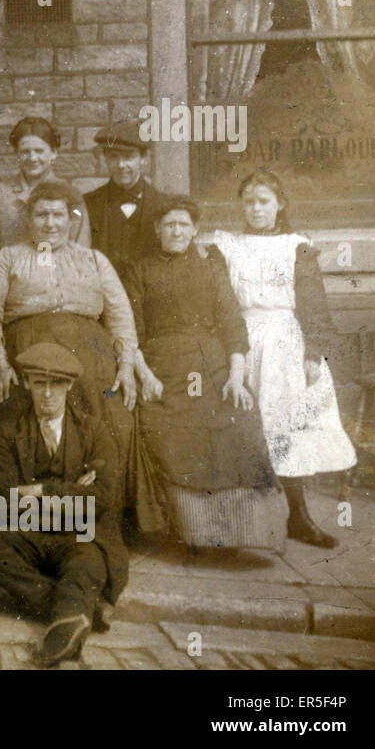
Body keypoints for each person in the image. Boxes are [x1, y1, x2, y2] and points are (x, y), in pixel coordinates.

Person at [0, 180, 159, 533]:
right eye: (41, 215)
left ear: (71, 219)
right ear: (29, 219)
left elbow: (120, 316)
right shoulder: (8, 258)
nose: (50, 223)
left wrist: (127, 365)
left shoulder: (94, 259)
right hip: (31, 349)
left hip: (93, 352)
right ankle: (40, 514)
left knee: (114, 411)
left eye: (58, 215)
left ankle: (106, 514)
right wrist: (0, 361)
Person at [123, 197, 288, 551]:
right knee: (172, 427)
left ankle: (244, 534)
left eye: (183, 224)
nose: (176, 231)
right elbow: (129, 332)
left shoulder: (211, 269)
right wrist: (145, 375)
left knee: (239, 418)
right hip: (162, 365)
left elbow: (232, 325)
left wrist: (235, 377)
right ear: (157, 230)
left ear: (195, 229)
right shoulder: (140, 270)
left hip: (212, 366)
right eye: (169, 224)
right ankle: (194, 531)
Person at [207, 169, 357, 548]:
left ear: (280, 205)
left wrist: (312, 354)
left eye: (264, 202)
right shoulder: (225, 247)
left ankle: (298, 516)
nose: (256, 209)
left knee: (288, 430)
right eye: (249, 202)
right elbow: (218, 306)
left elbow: (314, 305)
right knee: (244, 429)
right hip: (240, 342)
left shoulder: (296, 247)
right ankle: (245, 521)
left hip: (286, 345)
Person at [0, 342, 128, 668]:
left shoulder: (92, 430)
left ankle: (64, 622)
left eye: (56, 384)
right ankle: (71, 609)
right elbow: (3, 497)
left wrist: (43, 490)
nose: (47, 394)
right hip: (32, 532)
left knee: (89, 562)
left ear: (69, 386)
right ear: (27, 383)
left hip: (77, 536)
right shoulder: (10, 430)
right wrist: (73, 498)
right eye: (39, 383)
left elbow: (105, 498)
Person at [0, 116, 90, 264]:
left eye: (39, 151)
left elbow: (80, 248)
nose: (32, 158)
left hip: (58, 281)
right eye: (25, 151)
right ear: (16, 154)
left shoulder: (70, 195)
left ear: (54, 152)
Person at [83, 119, 173, 272]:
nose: (121, 165)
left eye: (128, 157)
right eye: (113, 157)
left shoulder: (164, 205)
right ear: (105, 158)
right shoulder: (88, 203)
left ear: (143, 158)